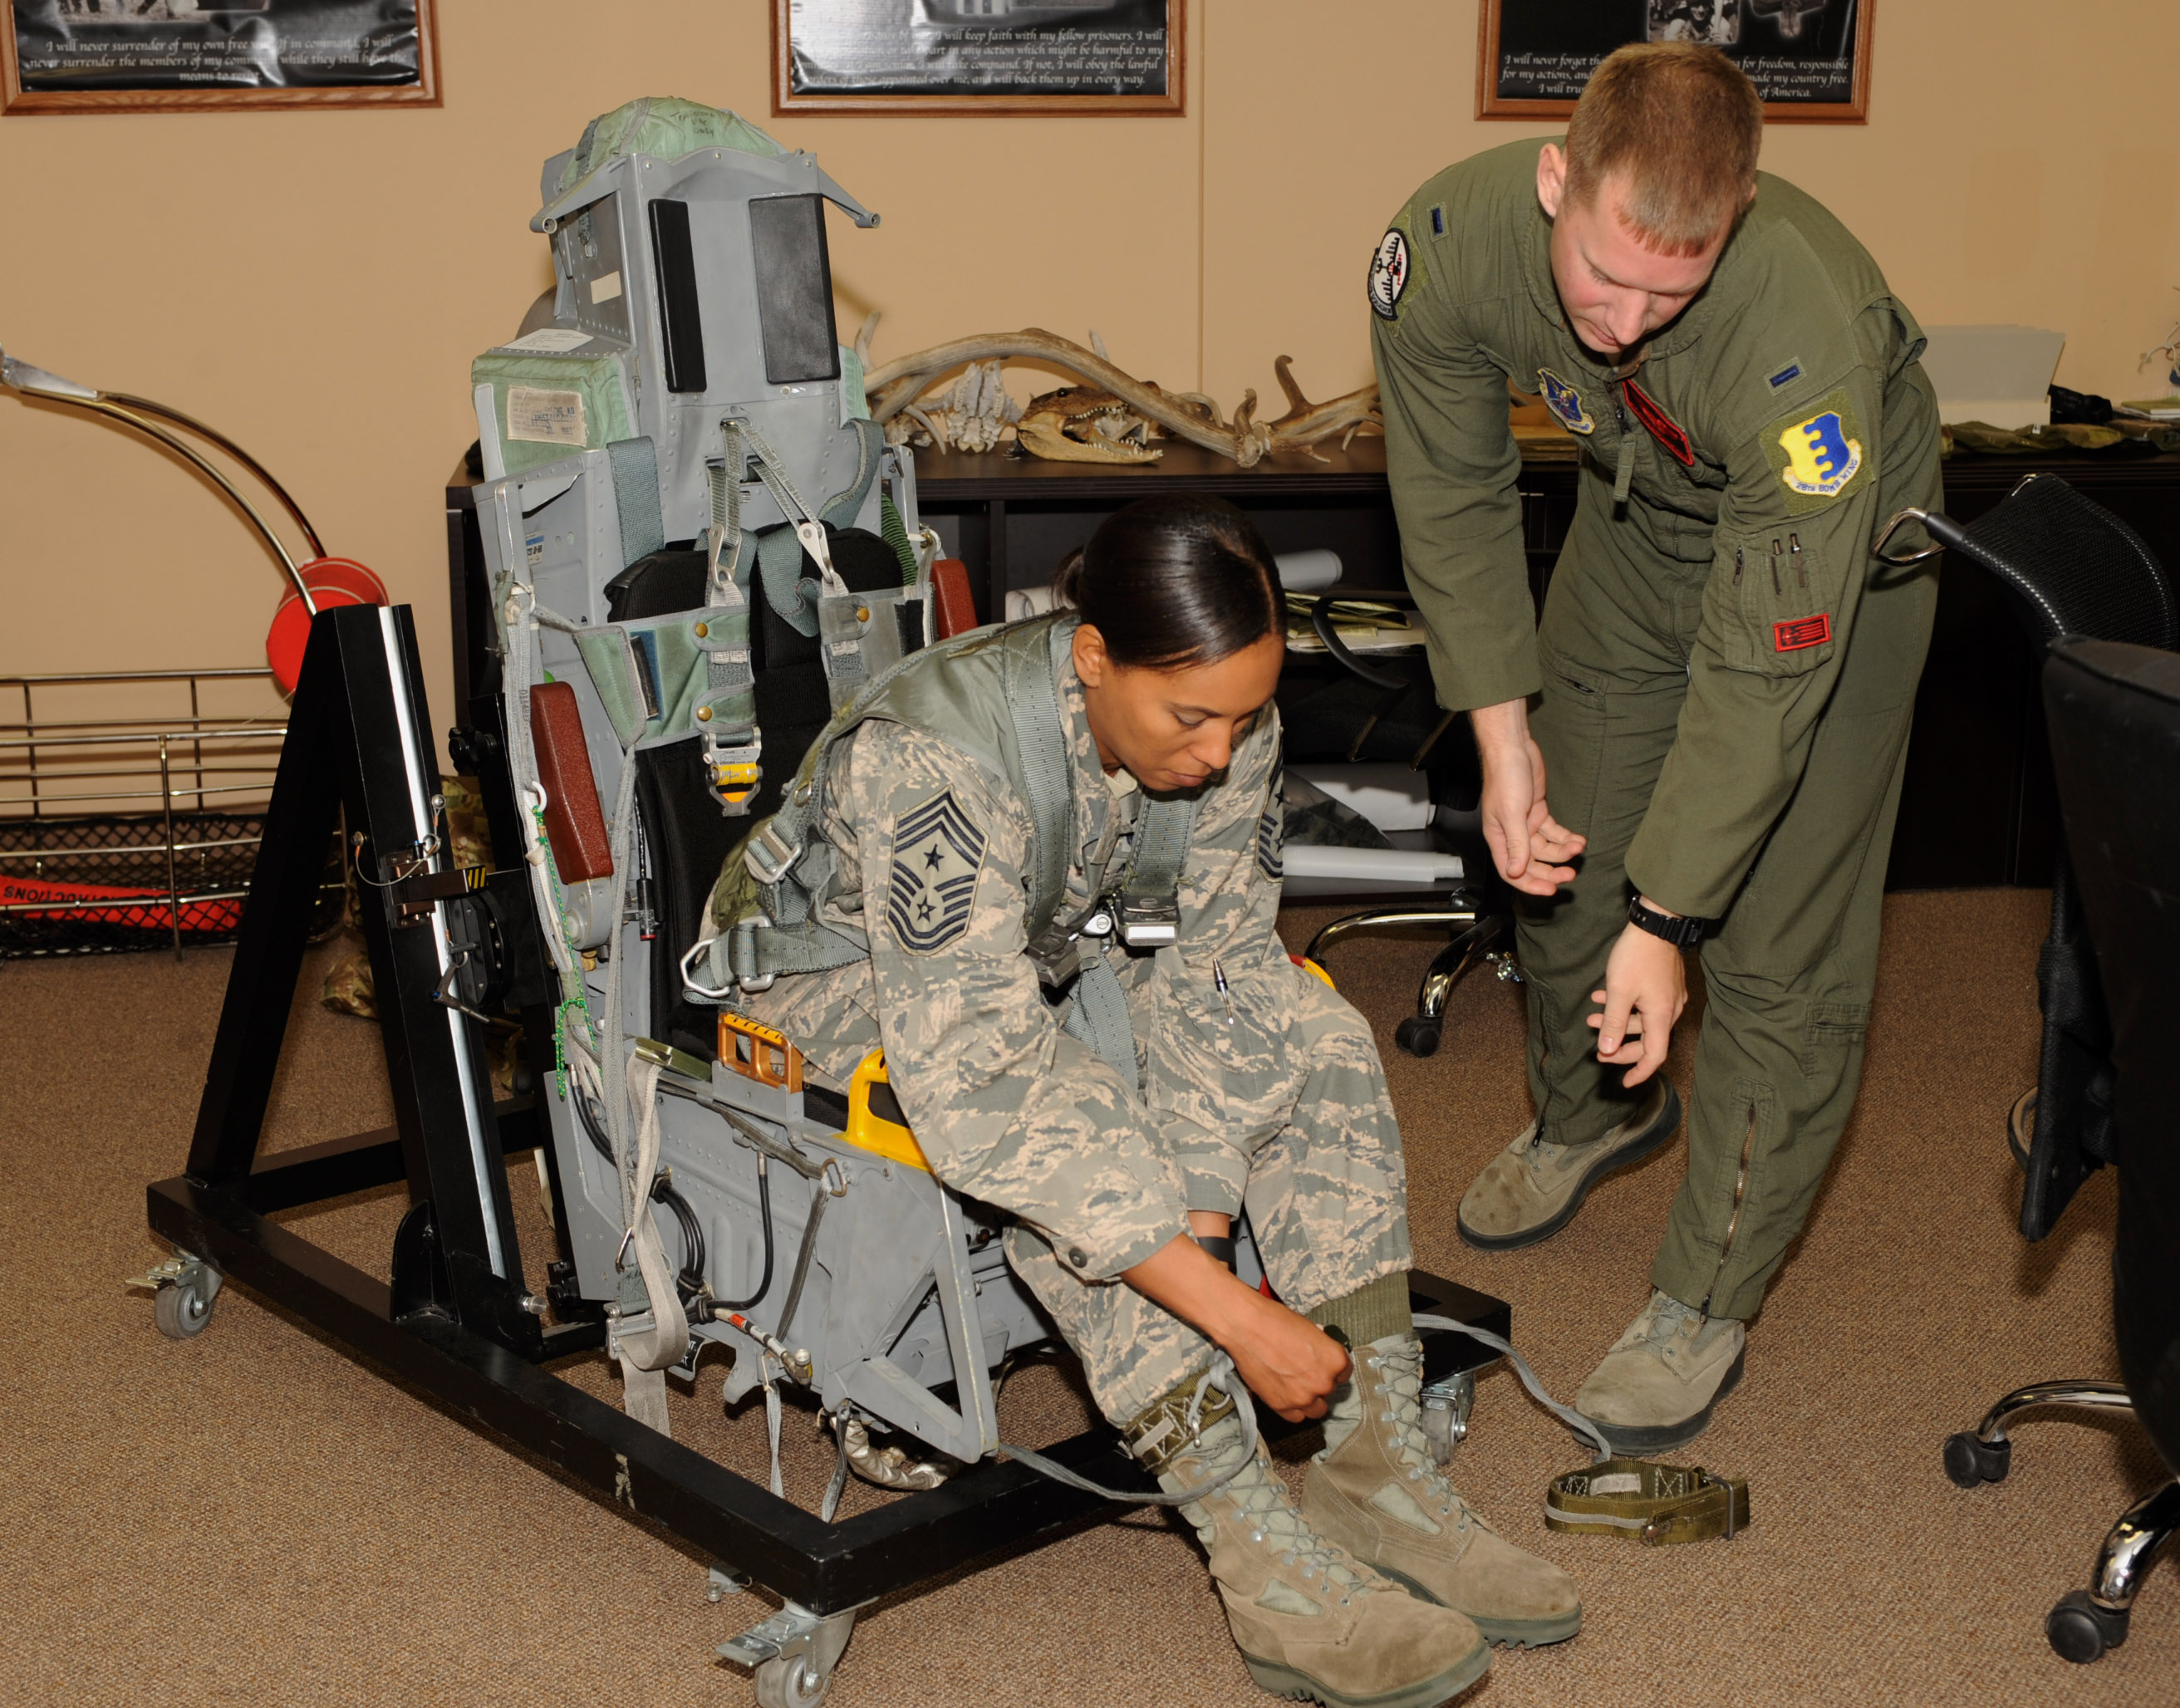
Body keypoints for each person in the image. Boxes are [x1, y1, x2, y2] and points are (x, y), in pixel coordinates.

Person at [725, 493, 1579, 1708]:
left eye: (1244, 715)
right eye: (1192, 717)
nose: (1221, 753)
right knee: (1078, 1123)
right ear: (1091, 656)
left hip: (1043, 947)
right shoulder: (938, 760)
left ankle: (1375, 1469)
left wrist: (1207, 1218)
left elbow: (1221, 970)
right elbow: (988, 1091)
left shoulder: (1218, 716)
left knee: (1314, 1028)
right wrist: (1233, 1318)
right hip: (834, 996)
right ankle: (1252, 1545)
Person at [1372, 43, 1942, 1453]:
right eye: (1601, 278)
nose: (1622, 322)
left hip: (1835, 572)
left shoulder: (1796, 346)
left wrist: (1673, 920)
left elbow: (1765, 669)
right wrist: (1501, 744)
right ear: (1555, 180)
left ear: (1735, 223)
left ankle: (1706, 1293)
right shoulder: (1447, 251)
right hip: (1639, 520)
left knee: (1776, 951)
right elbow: (1448, 491)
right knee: (1567, 836)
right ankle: (1595, 1114)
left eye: (1666, 294)